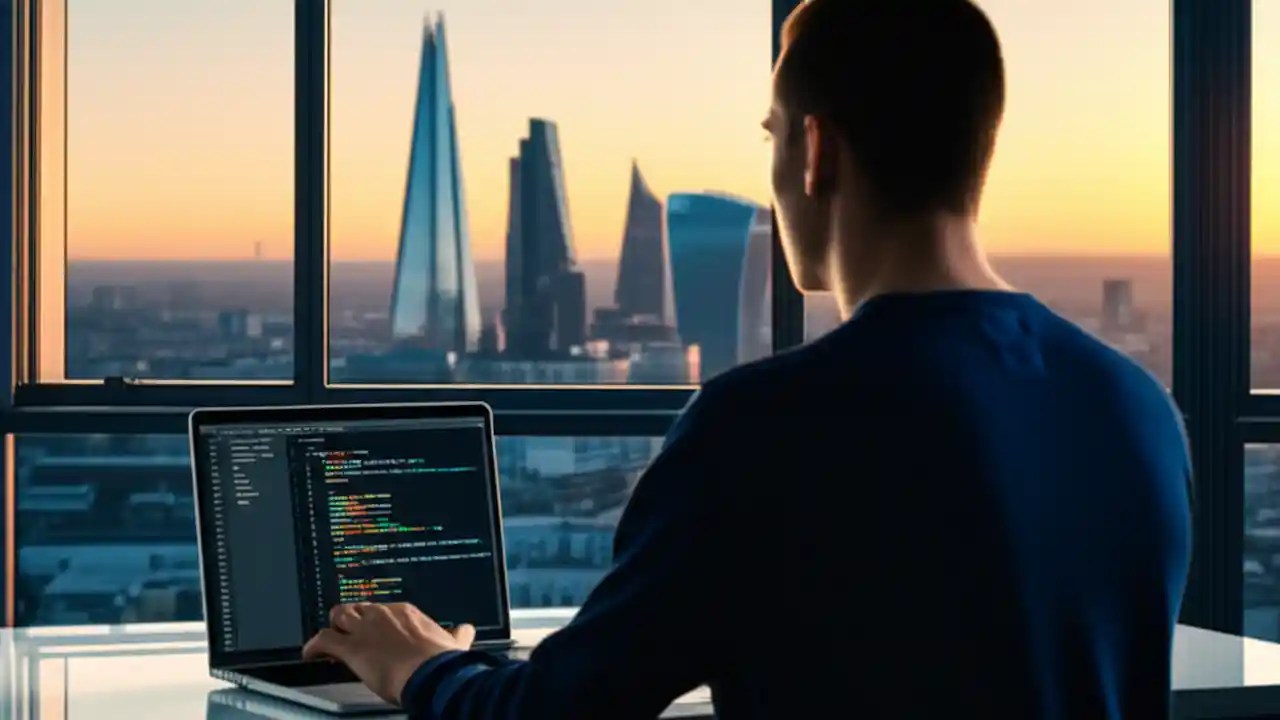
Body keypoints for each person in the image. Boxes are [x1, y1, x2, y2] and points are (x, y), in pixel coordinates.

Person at [302, 1, 1193, 717]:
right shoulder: (1138, 408)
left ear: (814, 150)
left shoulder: (764, 428)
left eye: (771, 135)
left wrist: (420, 669)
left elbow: (558, 712)